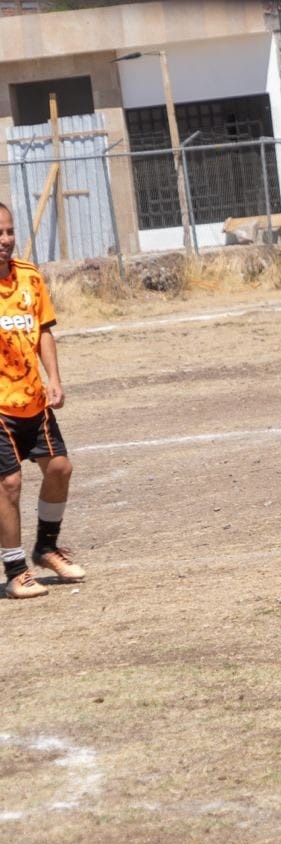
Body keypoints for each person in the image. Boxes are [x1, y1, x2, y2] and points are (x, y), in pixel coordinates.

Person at [0, 202, 84, 600]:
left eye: (9, 232)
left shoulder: (30, 278)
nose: (5, 240)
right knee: (9, 483)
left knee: (60, 469)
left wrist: (55, 379)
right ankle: (16, 571)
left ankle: (46, 548)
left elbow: (44, 330)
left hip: (33, 400)